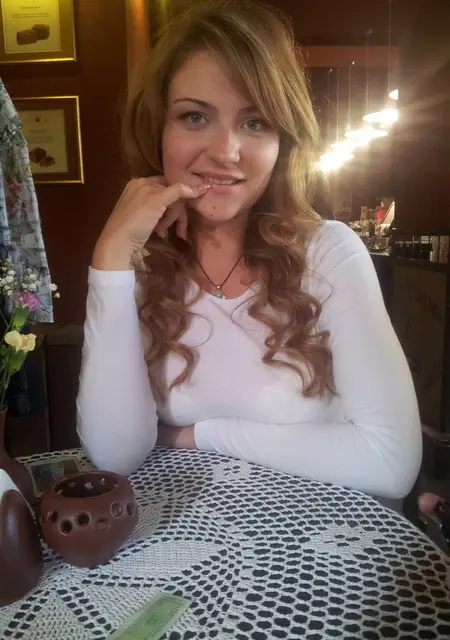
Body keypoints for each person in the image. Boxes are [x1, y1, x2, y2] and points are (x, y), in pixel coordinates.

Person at [76, 0, 422, 499]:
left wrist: (199, 435)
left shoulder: (329, 253)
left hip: (315, 534)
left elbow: (390, 462)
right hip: (183, 532)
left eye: (255, 122)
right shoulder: (139, 268)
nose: (225, 151)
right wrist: (110, 257)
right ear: (158, 131)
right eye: (195, 116)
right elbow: (116, 455)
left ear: (284, 141)